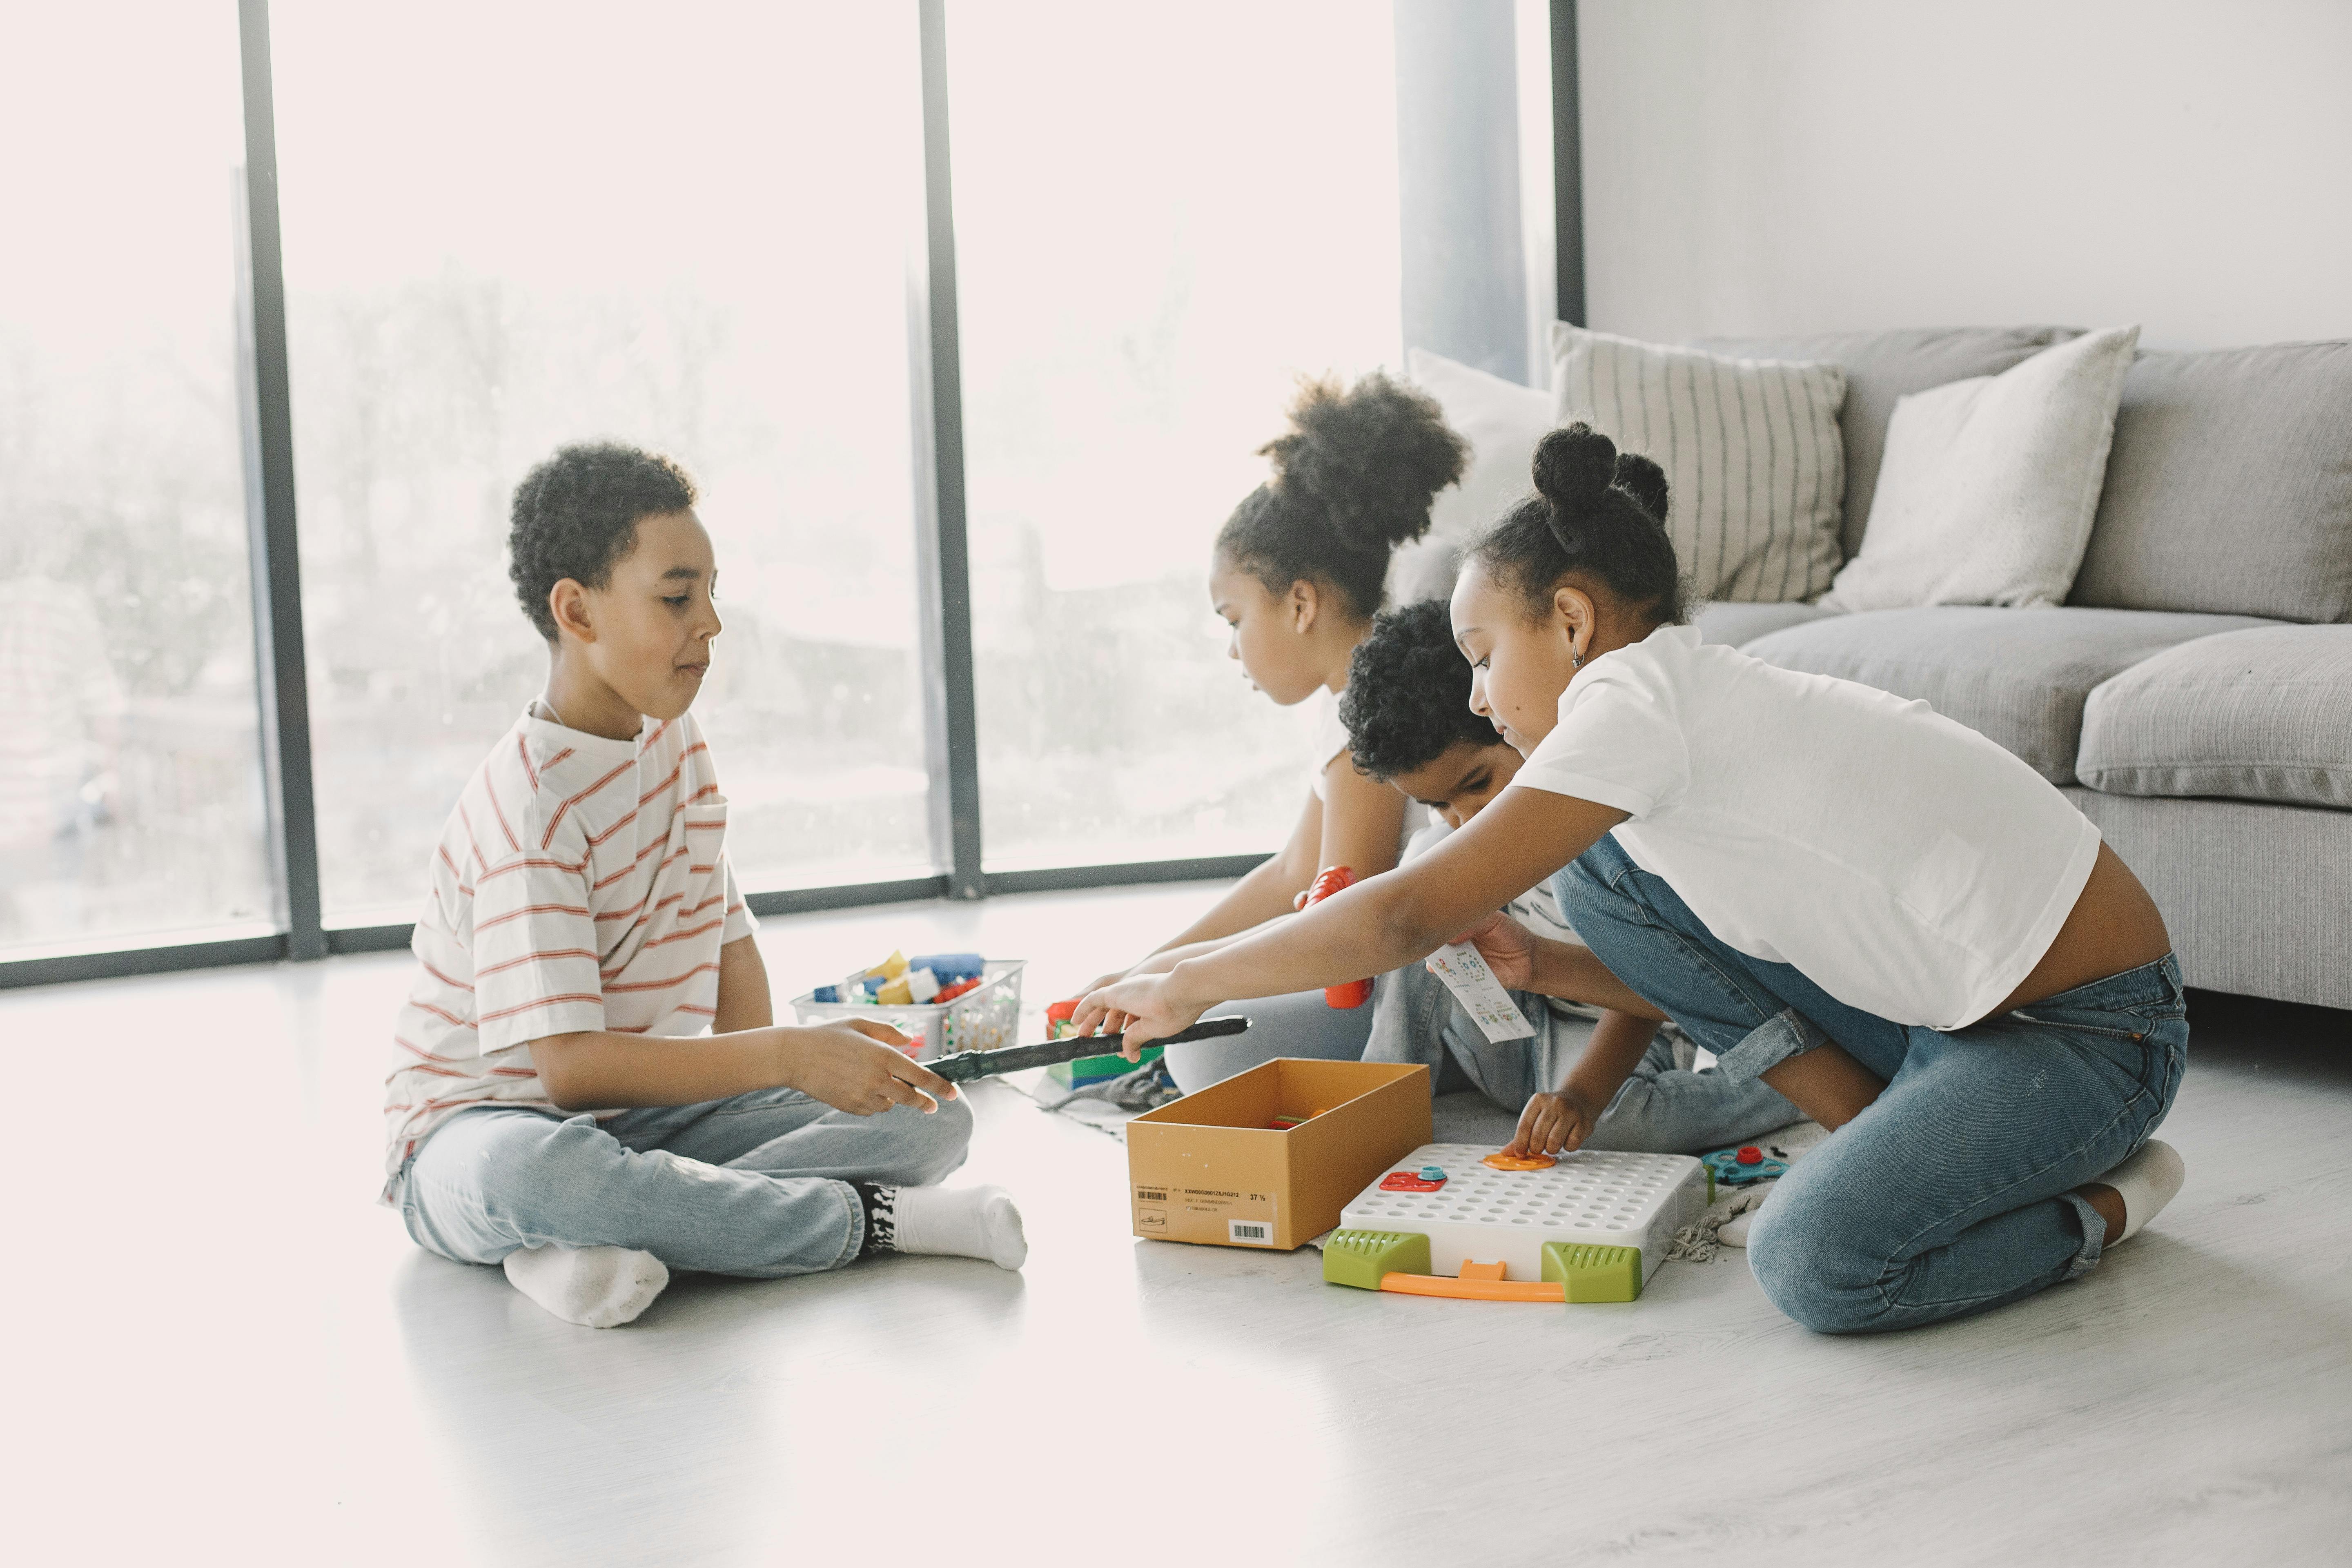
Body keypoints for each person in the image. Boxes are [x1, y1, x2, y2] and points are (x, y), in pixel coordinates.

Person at [1082, 423, 2188, 1335]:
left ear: (1570, 621)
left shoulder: (1635, 706)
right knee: (1607, 872)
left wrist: (1189, 980)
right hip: (1944, 1020)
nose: (1478, 697)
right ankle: (1887, 1135)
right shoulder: (1657, 726)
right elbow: (1668, 957)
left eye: (1481, 654)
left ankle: (2100, 1202)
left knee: (1815, 1263)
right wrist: (1544, 963)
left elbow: (1412, 908)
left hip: (2088, 1033)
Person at [383, 443, 1026, 1330]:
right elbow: (568, 1073)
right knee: (545, 1177)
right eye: (678, 598)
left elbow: (728, 939)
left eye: (713, 593)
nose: (712, 624)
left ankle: (605, 1241)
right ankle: (874, 1224)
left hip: (645, 1121)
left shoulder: (673, 741)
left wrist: (791, 1080)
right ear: (577, 611)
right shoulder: (532, 804)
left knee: (929, 1115)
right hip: (475, 1137)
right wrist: (790, 1057)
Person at [1085, 372, 1469, 1092]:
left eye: (1234, 620)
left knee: (1200, 1051)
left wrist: (1180, 986)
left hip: (1400, 983)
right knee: (1190, 1022)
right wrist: (1152, 968)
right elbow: (1296, 873)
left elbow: (1341, 926)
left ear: (1299, 604)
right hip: (1365, 961)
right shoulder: (1341, 699)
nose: (1233, 651)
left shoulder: (1371, 703)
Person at [1341, 598, 1795, 1155]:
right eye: (1440, 804)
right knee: (1422, 875)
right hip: (1512, 1033)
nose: (1467, 821)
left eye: (1478, 784)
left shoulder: (1609, 827)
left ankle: (1788, 1089)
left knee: (1619, 1124)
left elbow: (1655, 989)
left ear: (1509, 723)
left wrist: (1582, 1094)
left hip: (1612, 1034)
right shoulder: (1458, 839)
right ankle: (1383, 1111)